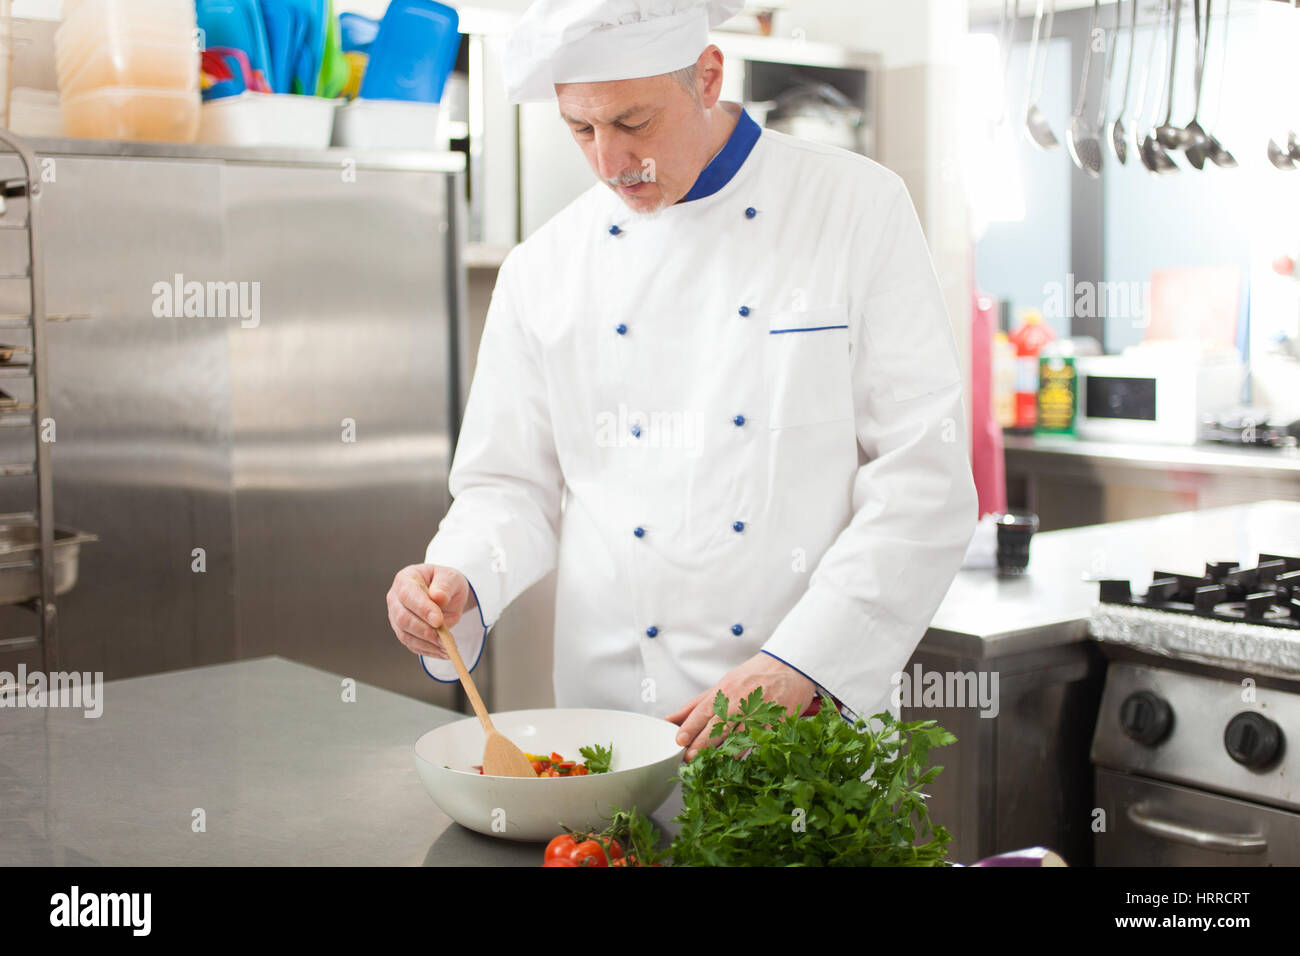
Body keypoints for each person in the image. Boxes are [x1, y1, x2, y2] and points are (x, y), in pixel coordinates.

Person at [386, 0, 978, 759]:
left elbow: (923, 479)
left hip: (803, 718)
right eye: (581, 129)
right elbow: (508, 488)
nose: (609, 162)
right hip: (609, 734)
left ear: (707, 76)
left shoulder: (856, 208)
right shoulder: (545, 266)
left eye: (633, 123)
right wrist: (460, 577)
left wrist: (804, 662)